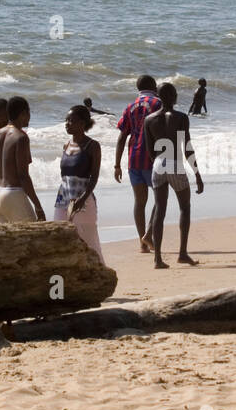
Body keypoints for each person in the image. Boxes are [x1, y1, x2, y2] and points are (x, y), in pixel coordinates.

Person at [142, 83, 205, 268]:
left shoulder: (149, 119)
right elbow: (187, 148)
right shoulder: (181, 118)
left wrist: (161, 161)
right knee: (184, 208)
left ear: (159, 97)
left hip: (158, 165)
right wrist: (197, 174)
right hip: (175, 164)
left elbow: (150, 151)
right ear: (175, 96)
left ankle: (158, 259)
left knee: (160, 211)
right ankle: (183, 254)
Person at [113, 76, 162, 250]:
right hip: (153, 159)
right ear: (154, 87)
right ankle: (149, 234)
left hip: (133, 158)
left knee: (139, 202)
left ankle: (142, 243)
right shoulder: (158, 103)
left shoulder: (130, 107)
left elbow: (121, 137)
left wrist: (117, 164)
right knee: (160, 199)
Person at [54, 104, 104, 260]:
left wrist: (82, 199)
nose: (67, 124)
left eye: (72, 121)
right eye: (66, 120)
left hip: (84, 199)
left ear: (82, 123)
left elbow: (94, 177)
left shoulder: (92, 146)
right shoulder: (66, 145)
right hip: (63, 199)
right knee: (61, 240)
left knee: (89, 243)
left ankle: (99, 276)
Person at [0, 96, 47, 222]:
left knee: (4, 241)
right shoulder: (21, 137)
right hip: (13, 194)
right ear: (23, 114)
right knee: (31, 238)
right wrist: (38, 206)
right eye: (29, 113)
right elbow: (23, 176)